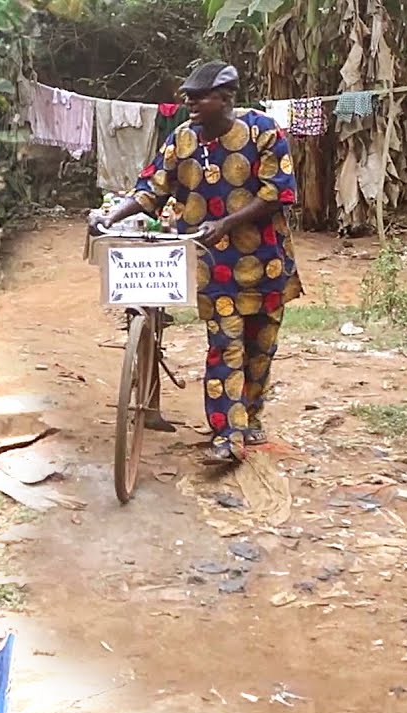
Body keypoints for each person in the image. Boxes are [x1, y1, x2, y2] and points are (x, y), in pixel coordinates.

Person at [89, 61, 305, 464]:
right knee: (225, 348)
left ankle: (250, 416)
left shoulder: (264, 132)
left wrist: (225, 223)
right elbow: (150, 189)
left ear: (225, 98)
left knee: (261, 348)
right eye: (186, 95)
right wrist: (110, 216)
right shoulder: (182, 139)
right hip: (214, 265)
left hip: (266, 263)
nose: (187, 101)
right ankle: (227, 435)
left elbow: (277, 192)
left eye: (198, 96)